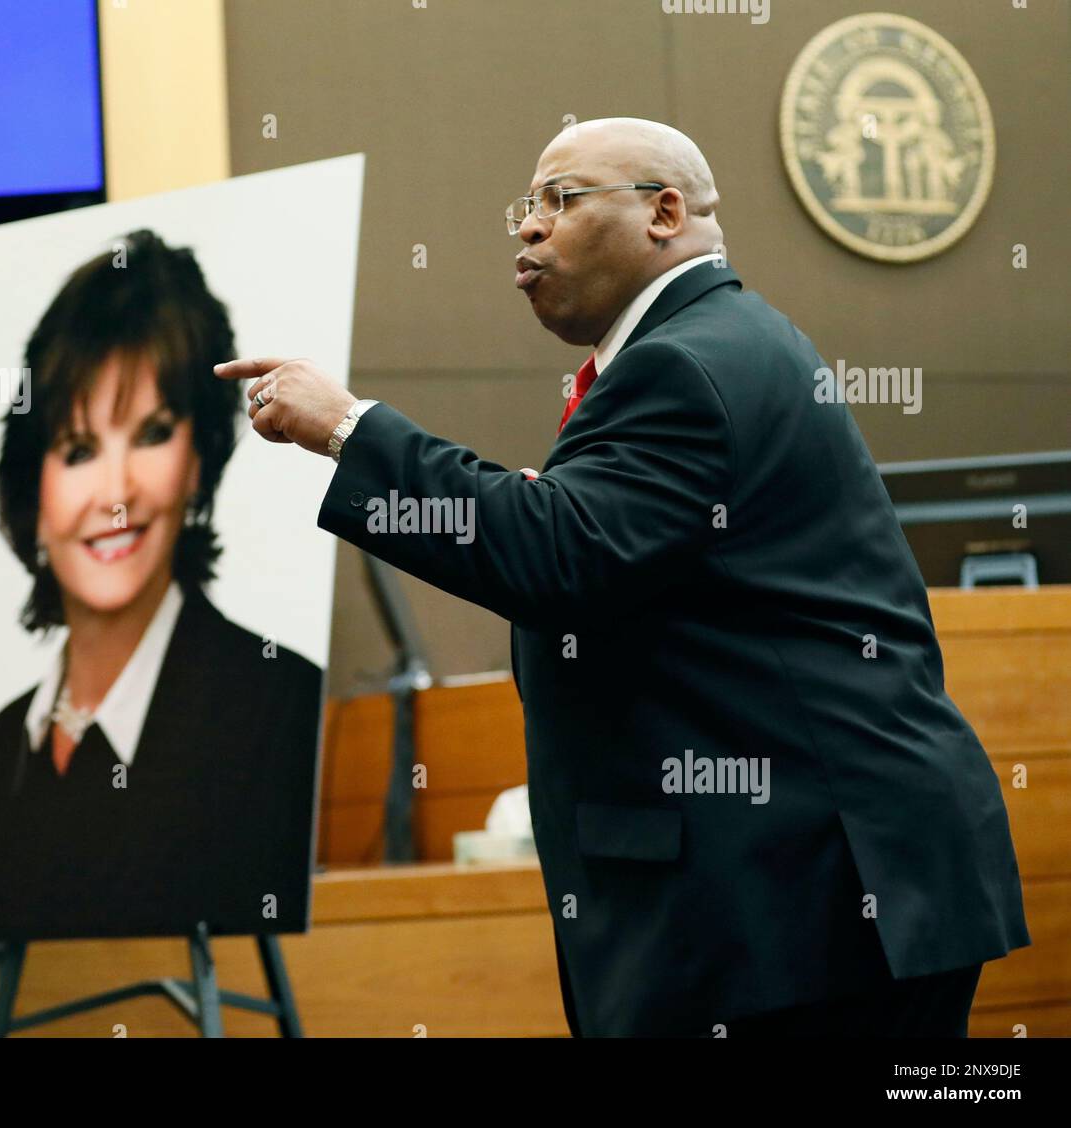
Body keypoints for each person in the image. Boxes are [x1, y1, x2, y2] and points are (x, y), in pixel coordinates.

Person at [214, 119, 1031, 1036]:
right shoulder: (717, 344)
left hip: (802, 901)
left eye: (561, 200)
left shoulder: (684, 363)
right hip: (809, 887)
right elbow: (596, 551)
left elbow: (557, 555)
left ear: (665, 212)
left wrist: (348, 427)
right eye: (525, 208)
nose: (529, 227)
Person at [0, 230, 322, 943]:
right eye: (78, 449)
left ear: (199, 461)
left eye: (151, 435)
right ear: (34, 490)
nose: (115, 494)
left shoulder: (285, 709)